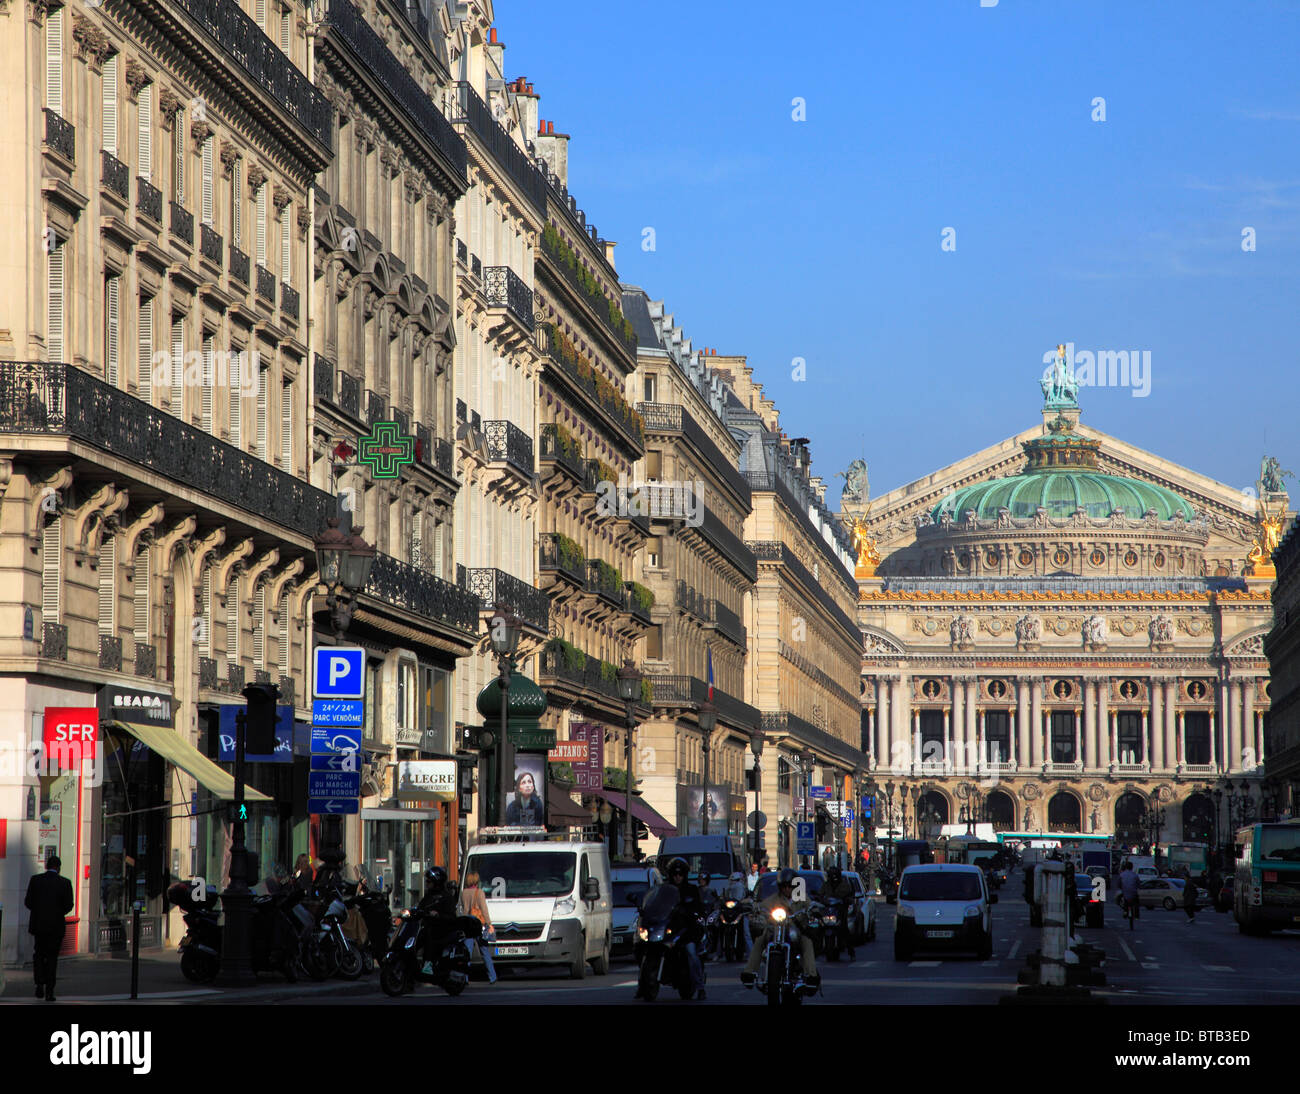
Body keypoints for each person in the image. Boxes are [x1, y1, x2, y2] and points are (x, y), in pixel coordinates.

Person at [742, 868, 819, 990]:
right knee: (760, 937)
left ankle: (811, 975)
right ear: (780, 887)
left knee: (807, 941)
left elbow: (811, 905)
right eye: (784, 886)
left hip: (795, 930)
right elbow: (762, 906)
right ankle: (749, 972)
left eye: (790, 886)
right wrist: (754, 909)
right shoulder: (773, 899)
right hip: (775, 929)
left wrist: (814, 909)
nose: (787, 889)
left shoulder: (801, 898)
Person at [26, 854, 74, 1001]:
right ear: (58, 868)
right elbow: (69, 905)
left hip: (39, 926)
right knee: (52, 958)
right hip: (55, 927)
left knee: (39, 955)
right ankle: (49, 991)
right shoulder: (65, 883)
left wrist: (39, 911)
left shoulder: (36, 881)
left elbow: (28, 902)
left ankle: (39, 984)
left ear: (47, 866)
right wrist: (58, 913)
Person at [664, 857, 708, 1000]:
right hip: (667, 929)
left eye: (680, 874)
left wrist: (690, 913)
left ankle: (700, 987)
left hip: (686, 931)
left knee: (691, 954)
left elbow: (698, 909)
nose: (678, 877)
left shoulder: (691, 890)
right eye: (675, 874)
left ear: (685, 875)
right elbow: (657, 903)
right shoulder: (665, 889)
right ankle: (643, 985)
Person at [459, 870, 498, 984]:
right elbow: (484, 909)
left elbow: (463, 909)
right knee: (484, 950)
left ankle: (464, 978)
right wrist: (489, 923)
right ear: (476, 881)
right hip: (478, 925)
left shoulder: (463, 892)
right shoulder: (479, 892)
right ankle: (492, 977)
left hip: (467, 924)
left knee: (467, 953)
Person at [821, 865, 857, 960]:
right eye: (831, 876)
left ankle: (851, 951)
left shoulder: (845, 885)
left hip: (840, 911)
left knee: (844, 930)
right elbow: (821, 894)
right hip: (829, 911)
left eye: (834, 876)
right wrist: (819, 899)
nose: (833, 878)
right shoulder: (826, 885)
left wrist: (847, 900)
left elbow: (850, 895)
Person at [1119, 861, 1140, 929]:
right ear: (1132, 867)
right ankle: (1136, 915)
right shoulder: (1134, 875)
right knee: (1136, 902)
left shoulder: (1122, 874)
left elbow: (1118, 883)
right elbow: (1138, 883)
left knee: (1123, 900)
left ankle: (1125, 912)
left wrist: (1121, 888)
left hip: (1125, 892)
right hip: (1133, 892)